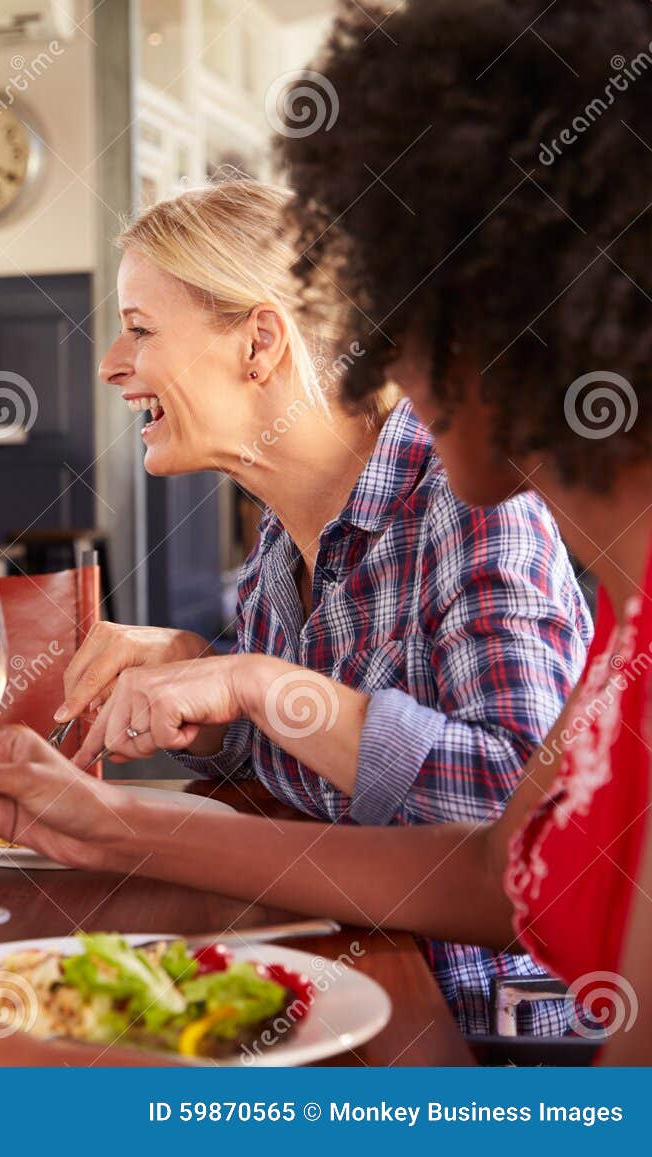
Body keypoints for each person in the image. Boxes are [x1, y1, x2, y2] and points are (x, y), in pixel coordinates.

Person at [0, 0, 652, 1066]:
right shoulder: (605, 610)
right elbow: (491, 868)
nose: (373, 363)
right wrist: (105, 807)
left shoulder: (503, 526)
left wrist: (44, 1068)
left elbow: (493, 841)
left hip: (481, 1043)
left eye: (396, 313)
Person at [58, 179, 590, 1033]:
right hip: (334, 991)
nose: (112, 362)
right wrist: (208, 683)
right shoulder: (283, 533)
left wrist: (262, 683)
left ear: (260, 342)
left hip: (477, 1039)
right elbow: (311, 773)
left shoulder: (472, 501)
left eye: (141, 327)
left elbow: (534, 817)